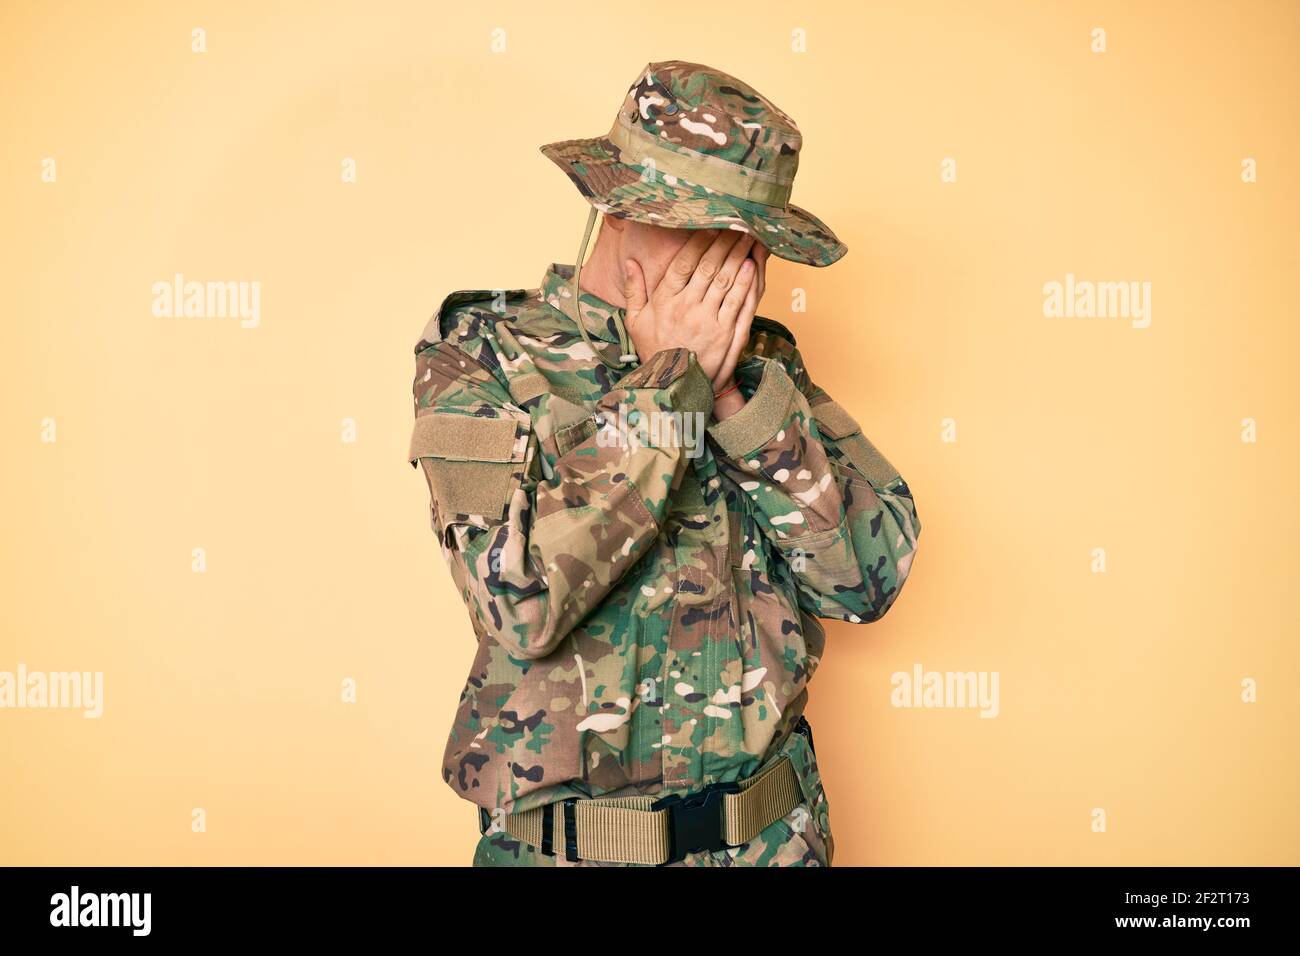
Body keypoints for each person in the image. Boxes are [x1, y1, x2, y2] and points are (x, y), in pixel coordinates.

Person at [407, 60, 921, 867]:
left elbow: (867, 579)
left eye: (750, 239)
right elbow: (521, 602)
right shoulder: (481, 356)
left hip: (772, 844)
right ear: (616, 206)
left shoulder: (766, 366)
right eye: (701, 227)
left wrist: (733, 397)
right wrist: (668, 383)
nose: (732, 263)